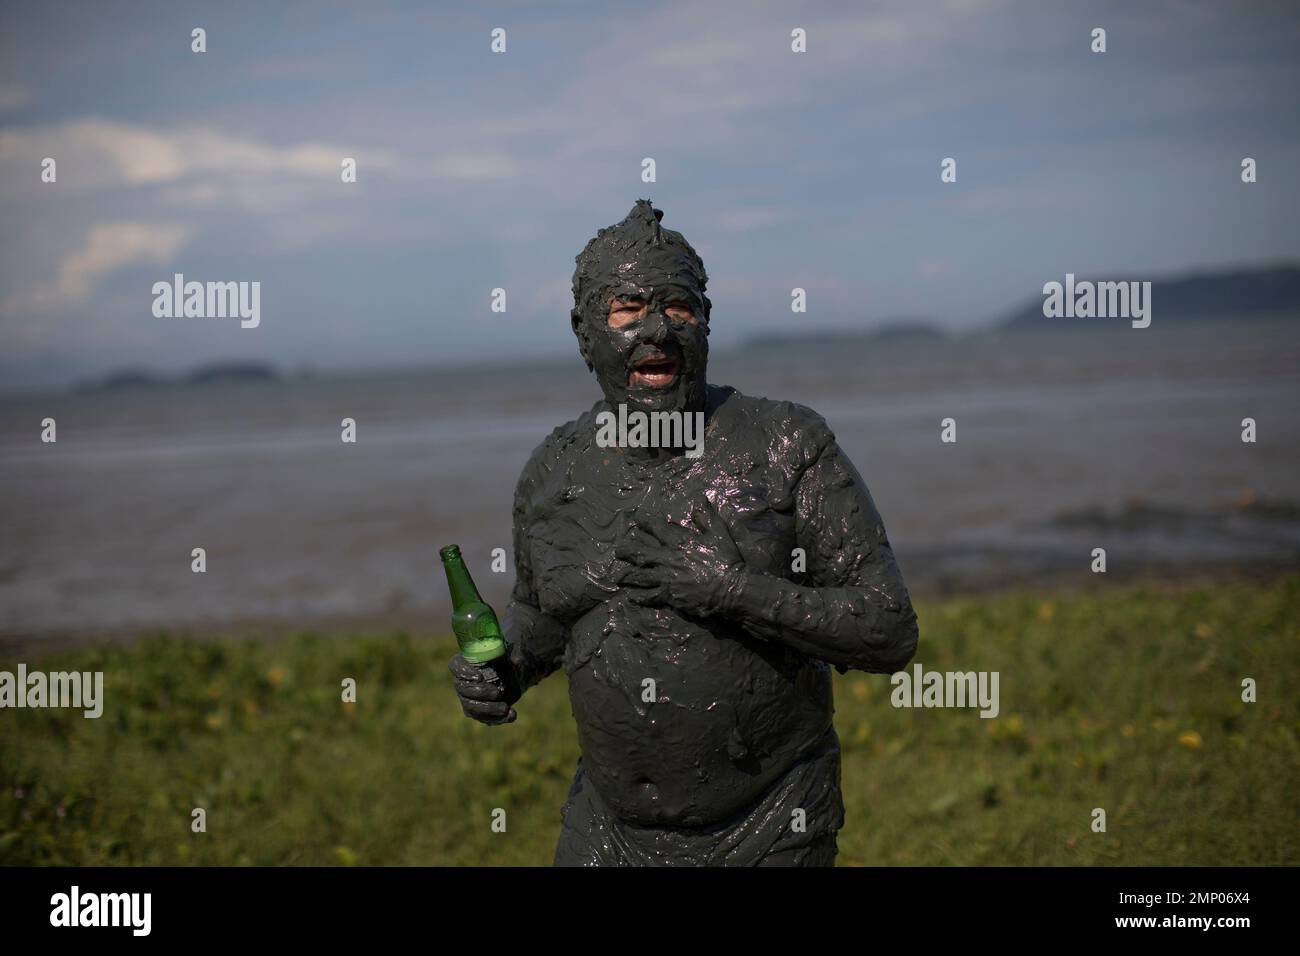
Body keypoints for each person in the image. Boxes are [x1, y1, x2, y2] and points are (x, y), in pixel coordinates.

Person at [448, 200, 918, 866]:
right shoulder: (554, 470)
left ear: (706, 322)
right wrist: (504, 667)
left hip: (769, 820)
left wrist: (729, 590)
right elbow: (544, 612)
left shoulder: (784, 444)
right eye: (627, 310)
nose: (657, 330)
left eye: (678, 307)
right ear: (584, 332)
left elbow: (888, 626)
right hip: (607, 829)